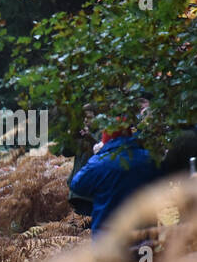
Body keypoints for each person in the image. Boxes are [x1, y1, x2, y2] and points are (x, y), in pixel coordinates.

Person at [68, 93, 162, 235]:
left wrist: (99, 153)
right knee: (143, 257)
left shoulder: (100, 162)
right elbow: (164, 182)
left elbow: (77, 185)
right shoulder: (148, 159)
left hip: (108, 234)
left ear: (106, 138)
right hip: (144, 231)